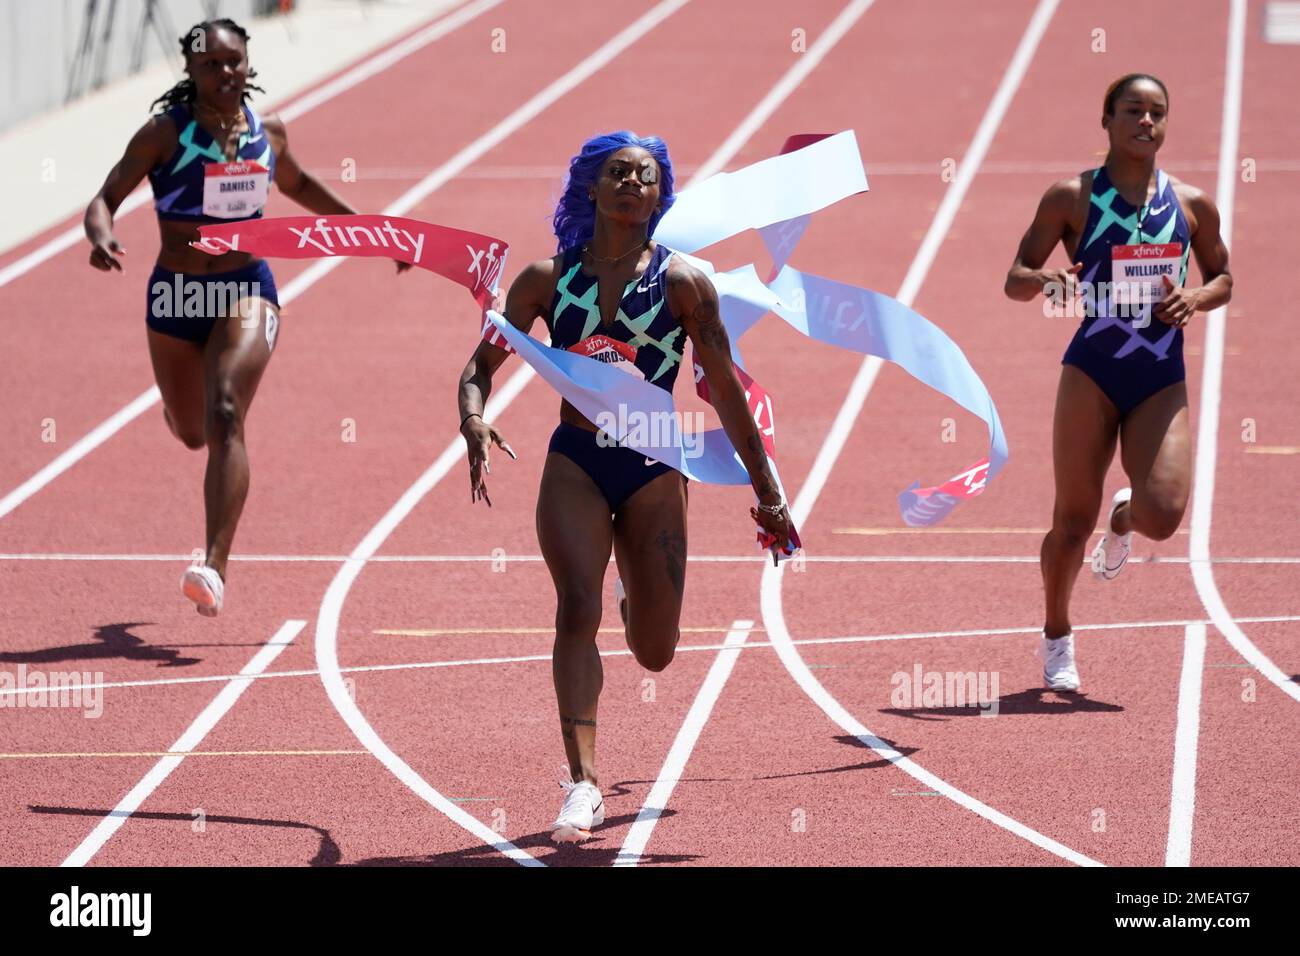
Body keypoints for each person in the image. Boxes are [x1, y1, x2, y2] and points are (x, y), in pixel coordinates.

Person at [457, 132, 793, 841]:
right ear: (592, 188)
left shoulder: (682, 283)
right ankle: (582, 782)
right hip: (576, 459)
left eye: (645, 175)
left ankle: (633, 590)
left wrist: (767, 490)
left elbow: (725, 390)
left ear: (658, 196)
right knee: (575, 606)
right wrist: (475, 418)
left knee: (655, 650)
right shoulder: (545, 280)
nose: (632, 183)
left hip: (653, 465)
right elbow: (480, 366)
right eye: (618, 173)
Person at [85, 18, 406, 617]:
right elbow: (105, 198)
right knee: (194, 432)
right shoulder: (164, 134)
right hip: (178, 297)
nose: (224, 73)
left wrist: (370, 231)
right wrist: (102, 238)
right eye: (210, 65)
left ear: (247, 63)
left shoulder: (268, 132)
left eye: (233, 62)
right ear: (191, 70)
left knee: (227, 409)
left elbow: (301, 186)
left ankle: (213, 564)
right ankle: (181, 410)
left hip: (245, 290)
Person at [1004, 74, 1232, 690]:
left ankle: (1126, 517)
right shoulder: (1071, 197)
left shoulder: (1190, 205)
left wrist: (1196, 298)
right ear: (1106, 120)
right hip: (1093, 370)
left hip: (1159, 374)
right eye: (1133, 110)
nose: (1146, 122)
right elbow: (1016, 277)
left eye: (1157, 112)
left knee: (1162, 516)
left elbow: (1224, 279)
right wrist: (1045, 281)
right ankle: (1057, 636)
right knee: (1070, 522)